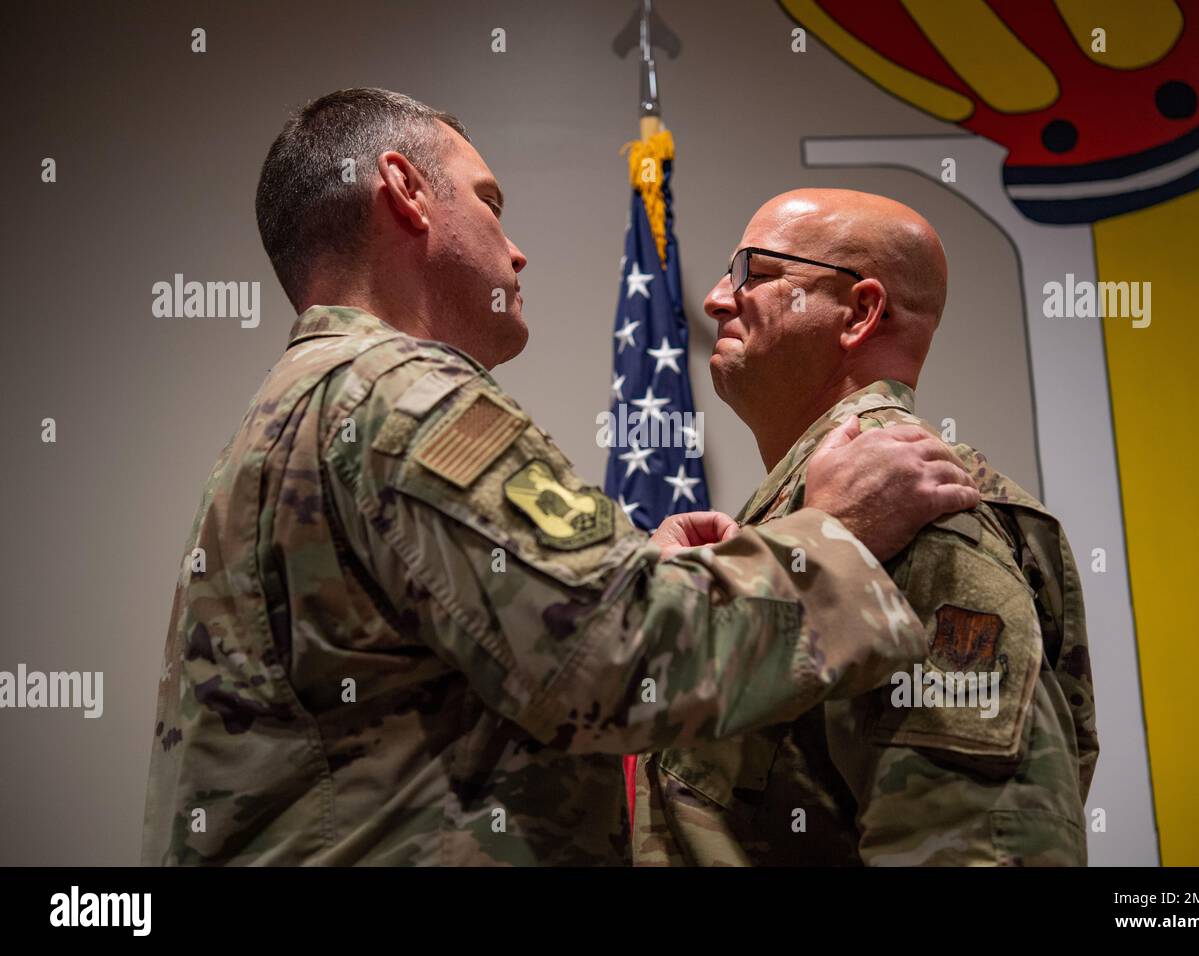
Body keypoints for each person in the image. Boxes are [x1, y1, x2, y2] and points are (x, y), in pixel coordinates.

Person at [141, 91, 980, 866]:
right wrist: (832, 537)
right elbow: (612, 660)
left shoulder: (304, 403)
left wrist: (643, 572)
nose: (517, 247)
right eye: (489, 202)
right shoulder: (401, 395)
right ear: (405, 189)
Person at [633, 189, 1097, 866]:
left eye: (755, 274)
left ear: (860, 312)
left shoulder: (917, 518)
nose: (714, 299)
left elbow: (977, 845)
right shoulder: (819, 518)